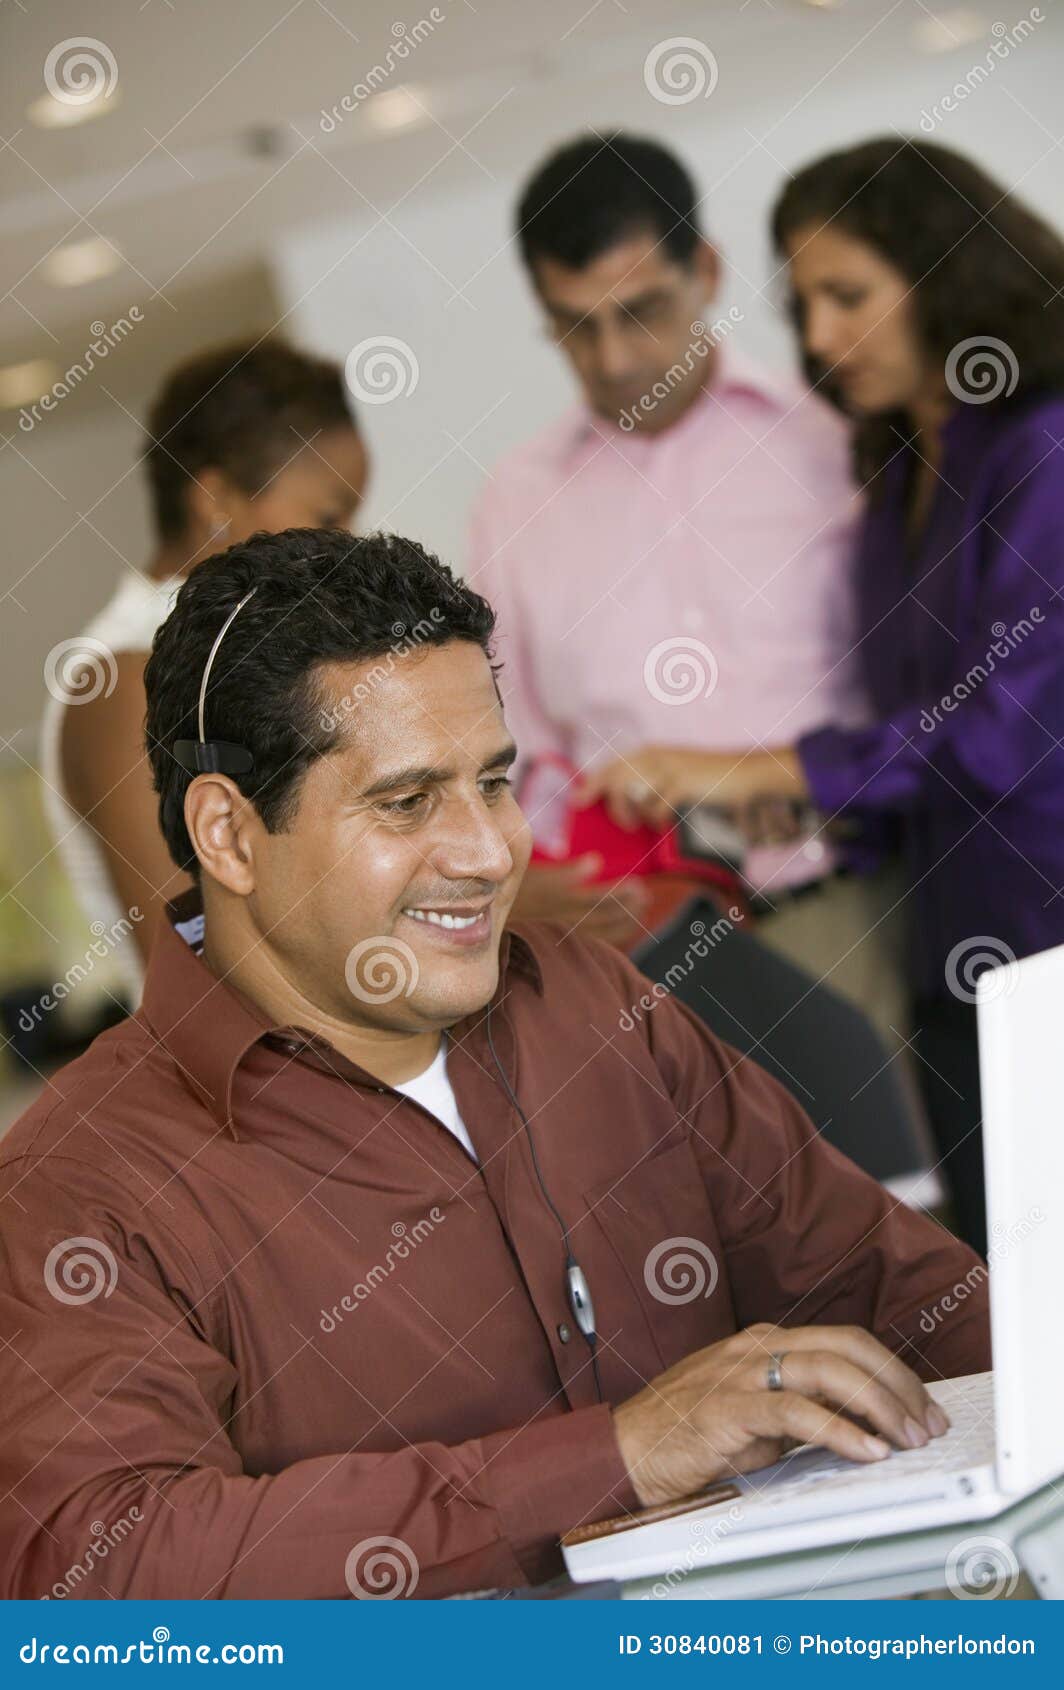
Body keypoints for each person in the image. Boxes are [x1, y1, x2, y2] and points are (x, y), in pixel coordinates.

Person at [0, 527, 988, 1599]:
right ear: (229, 835)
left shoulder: (592, 1005)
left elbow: (883, 1279)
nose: (485, 850)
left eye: (493, 782)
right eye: (406, 800)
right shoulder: (80, 1185)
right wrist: (616, 1457)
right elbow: (101, 1562)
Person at [586, 138, 1064, 1256]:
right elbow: (919, 729)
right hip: (955, 967)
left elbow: (1009, 724)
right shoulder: (898, 466)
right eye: (801, 302)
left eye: (845, 295)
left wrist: (765, 766)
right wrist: (811, 809)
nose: (815, 338)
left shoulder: (1043, 444)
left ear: (947, 273)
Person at [469, 131, 911, 1051]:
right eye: (573, 325)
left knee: (913, 1191)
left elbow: (919, 681)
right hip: (649, 953)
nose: (615, 358)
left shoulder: (837, 434)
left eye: (643, 311)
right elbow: (514, 750)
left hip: (864, 904)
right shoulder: (514, 501)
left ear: (705, 270)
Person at [39, 338, 367, 998]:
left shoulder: (263, 645)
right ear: (215, 499)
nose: (348, 542)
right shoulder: (125, 679)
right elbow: (190, 952)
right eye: (329, 514)